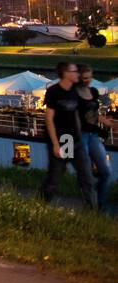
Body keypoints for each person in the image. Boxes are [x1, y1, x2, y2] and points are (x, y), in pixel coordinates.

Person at [42, 61, 96, 208]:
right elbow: (49, 118)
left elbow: (77, 114)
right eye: (74, 71)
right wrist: (55, 144)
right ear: (66, 73)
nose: (77, 74)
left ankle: (92, 211)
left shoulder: (75, 91)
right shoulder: (54, 92)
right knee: (55, 177)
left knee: (86, 176)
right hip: (62, 140)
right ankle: (41, 205)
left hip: (75, 139)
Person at [77, 65, 111, 210]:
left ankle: (100, 202)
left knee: (105, 171)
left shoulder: (93, 92)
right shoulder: (73, 94)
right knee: (86, 172)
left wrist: (108, 123)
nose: (88, 81)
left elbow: (95, 114)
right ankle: (90, 205)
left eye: (90, 77)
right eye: (85, 78)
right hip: (80, 135)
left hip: (93, 134)